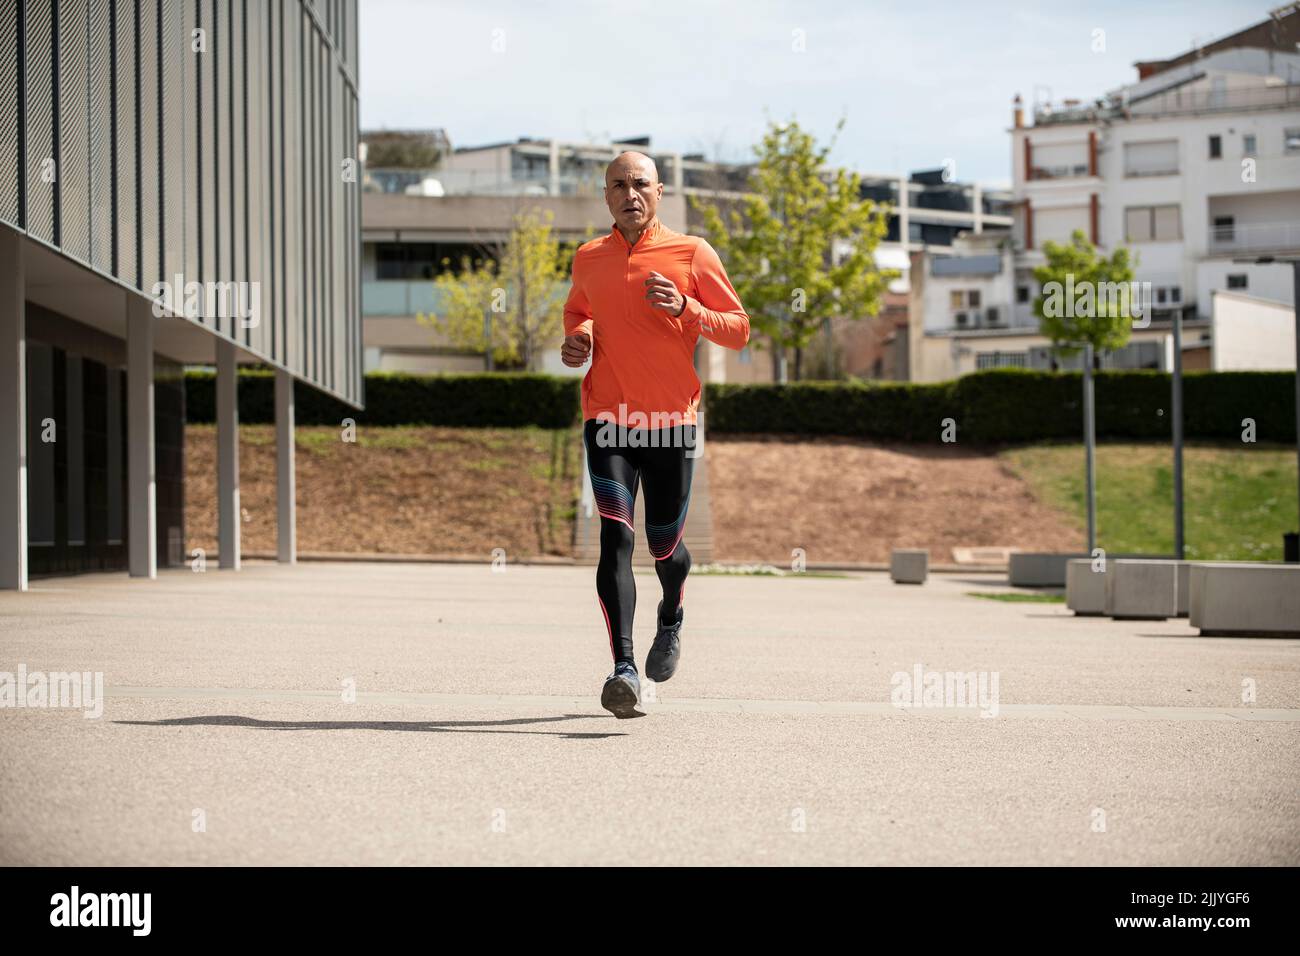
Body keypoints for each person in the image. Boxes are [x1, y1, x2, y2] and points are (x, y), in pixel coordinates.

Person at [562, 151, 750, 718]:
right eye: (618, 185)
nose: (630, 194)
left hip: (670, 424)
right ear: (606, 196)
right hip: (609, 421)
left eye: (640, 183)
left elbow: (739, 330)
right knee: (615, 537)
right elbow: (580, 316)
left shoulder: (693, 253)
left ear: (659, 191)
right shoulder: (588, 257)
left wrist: (689, 307)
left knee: (664, 546)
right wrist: (578, 342)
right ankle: (623, 670)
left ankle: (671, 613)